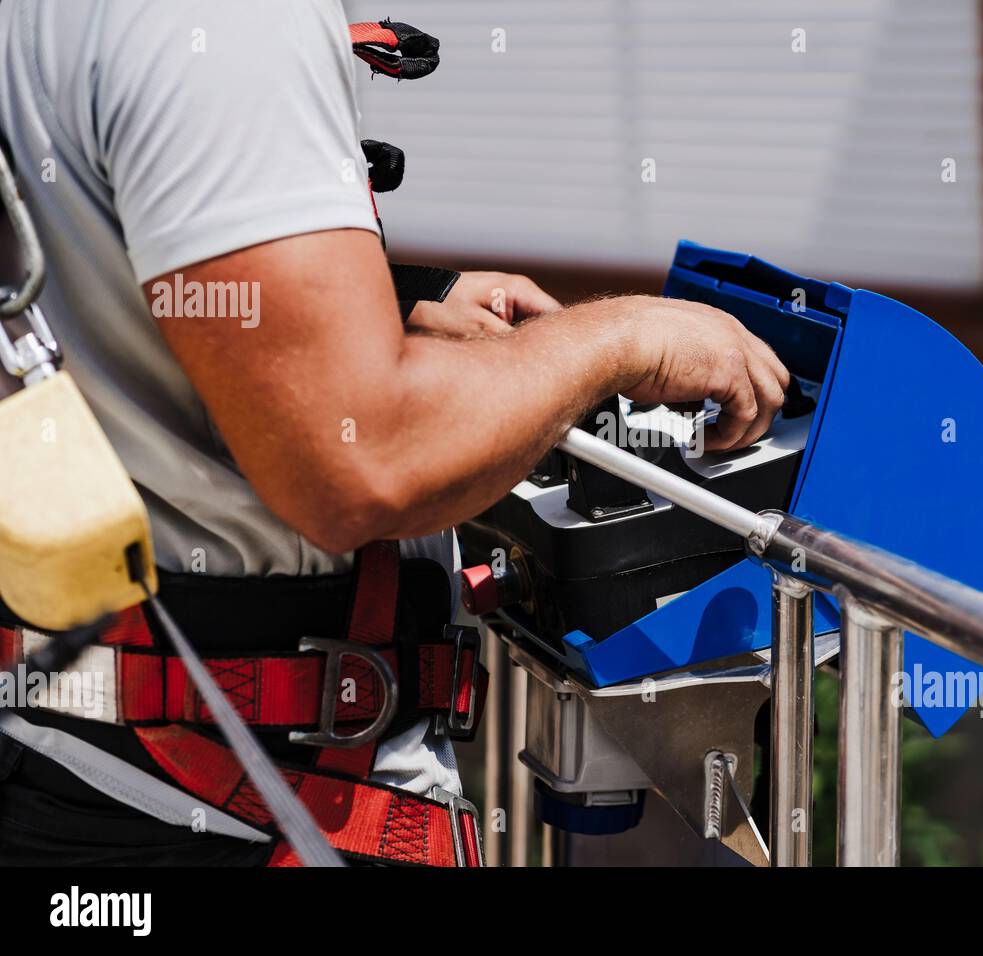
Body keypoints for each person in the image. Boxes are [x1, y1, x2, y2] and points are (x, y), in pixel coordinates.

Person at [0, 0, 788, 865]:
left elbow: (101, 240)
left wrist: (393, 297)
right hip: (240, 791)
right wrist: (621, 339)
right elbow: (364, 460)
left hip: (86, 746)